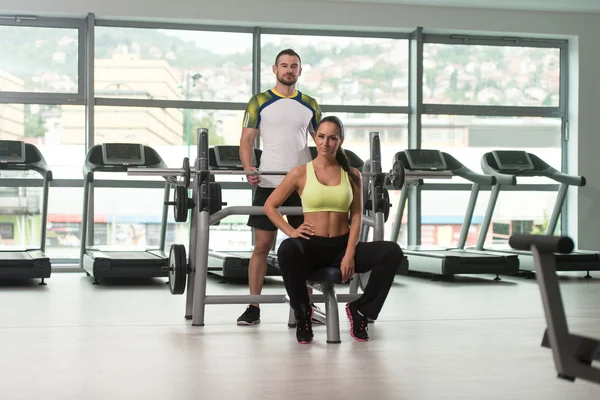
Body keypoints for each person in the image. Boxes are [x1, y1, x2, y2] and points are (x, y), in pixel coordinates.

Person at [264, 116, 404, 344]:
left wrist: (349, 254)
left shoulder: (352, 174)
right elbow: (270, 206)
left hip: (341, 247)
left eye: (332, 138)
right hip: (311, 247)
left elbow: (356, 216)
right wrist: (291, 231)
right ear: (314, 137)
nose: (325, 143)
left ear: (341, 141)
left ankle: (361, 309)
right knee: (288, 249)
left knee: (392, 252)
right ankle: (303, 314)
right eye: (321, 136)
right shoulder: (300, 173)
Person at [237, 49, 322, 325]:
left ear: (300, 70)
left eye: (294, 66)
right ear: (275, 69)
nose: (289, 70)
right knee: (262, 246)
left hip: (301, 183)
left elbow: (322, 141)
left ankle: (303, 310)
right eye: (284, 65)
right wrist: (249, 167)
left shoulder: (310, 103)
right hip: (269, 182)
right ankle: (254, 307)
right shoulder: (258, 101)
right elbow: (247, 140)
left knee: (304, 246)